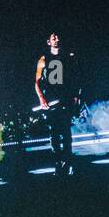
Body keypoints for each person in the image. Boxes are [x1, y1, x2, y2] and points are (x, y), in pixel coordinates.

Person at [33, 32, 79, 176]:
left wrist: (76, 95)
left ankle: (68, 161)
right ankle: (58, 161)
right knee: (54, 133)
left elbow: (75, 77)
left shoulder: (67, 57)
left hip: (65, 99)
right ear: (48, 41)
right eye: (53, 38)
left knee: (66, 132)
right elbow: (37, 81)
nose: (57, 39)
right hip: (51, 101)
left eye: (58, 37)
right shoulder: (43, 59)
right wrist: (42, 98)